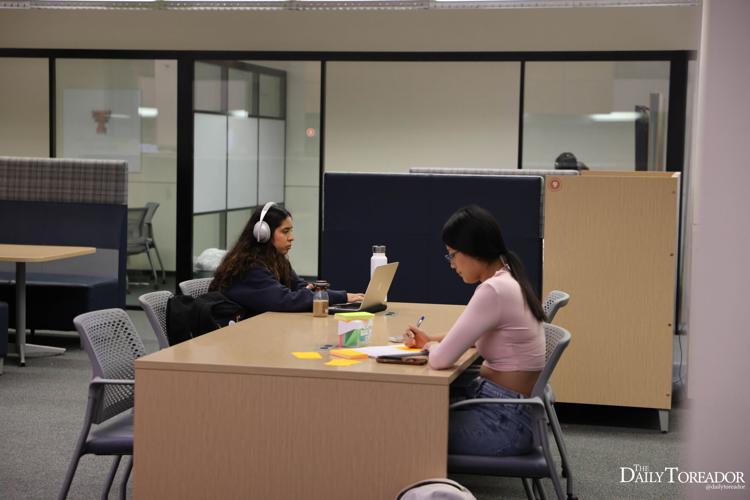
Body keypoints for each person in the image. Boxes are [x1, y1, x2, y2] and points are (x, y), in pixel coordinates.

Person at [403, 205, 546, 457]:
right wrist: (432, 339)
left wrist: (430, 348)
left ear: (471, 249)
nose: (451, 264)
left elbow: (439, 360)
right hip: (512, 412)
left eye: (452, 255)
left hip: (503, 422)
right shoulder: (508, 278)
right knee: (414, 416)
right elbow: (472, 337)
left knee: (406, 428)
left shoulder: (493, 291)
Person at [209, 202, 364, 316]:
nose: (291, 238)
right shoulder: (250, 266)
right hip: (238, 334)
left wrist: (323, 294)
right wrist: (343, 297)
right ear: (263, 233)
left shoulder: (276, 259)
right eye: (285, 231)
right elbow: (284, 299)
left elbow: (299, 286)